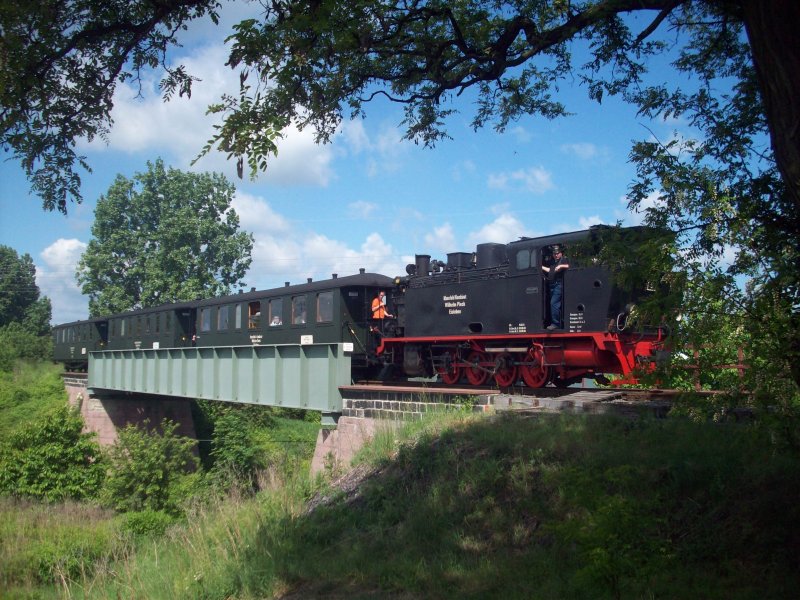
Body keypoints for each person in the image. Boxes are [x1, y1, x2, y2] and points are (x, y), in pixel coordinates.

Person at [541, 244, 569, 330]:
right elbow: (550, 270)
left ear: (561, 253)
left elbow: (569, 266)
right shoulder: (553, 262)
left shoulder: (563, 260)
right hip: (552, 285)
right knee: (553, 304)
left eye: (557, 253)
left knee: (553, 303)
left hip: (558, 284)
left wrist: (561, 266)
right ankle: (556, 323)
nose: (556, 255)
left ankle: (556, 324)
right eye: (554, 254)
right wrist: (540, 267)